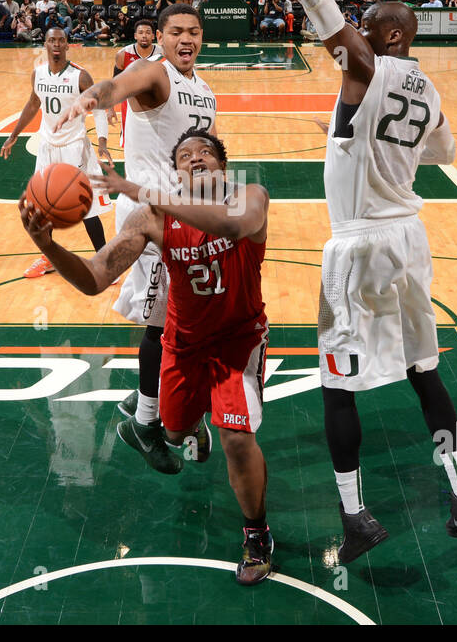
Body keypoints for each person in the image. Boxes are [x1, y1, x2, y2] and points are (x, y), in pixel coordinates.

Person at [247, 0, 457, 562]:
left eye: (365, 22)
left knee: (337, 383)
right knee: (426, 372)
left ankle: (355, 518)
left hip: (357, 245)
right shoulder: (427, 85)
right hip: (412, 241)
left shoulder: (364, 65)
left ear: (380, 34)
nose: (354, 25)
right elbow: (444, 151)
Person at [18, 128, 275, 584]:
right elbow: (96, 278)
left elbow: (234, 227)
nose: (196, 158)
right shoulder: (152, 218)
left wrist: (146, 192)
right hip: (182, 344)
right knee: (172, 433)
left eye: (206, 153)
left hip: (238, 342)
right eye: (184, 155)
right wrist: (48, 245)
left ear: (223, 167)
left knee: (237, 439)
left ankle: (257, 533)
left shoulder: (250, 196)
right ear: (175, 170)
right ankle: (185, 421)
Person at [54, 4, 217, 465]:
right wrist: (91, 99)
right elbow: (116, 86)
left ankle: (151, 401)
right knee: (162, 322)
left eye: (195, 32)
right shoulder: (153, 73)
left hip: (186, 217)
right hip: (149, 214)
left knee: (183, 319)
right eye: (177, 32)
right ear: (160, 38)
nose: (187, 39)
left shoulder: (204, 90)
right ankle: (144, 423)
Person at [1, 27, 112, 277]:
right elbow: (33, 103)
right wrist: (14, 135)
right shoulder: (38, 73)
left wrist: (102, 141)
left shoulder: (80, 76)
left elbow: (99, 108)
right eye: (52, 40)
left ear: (67, 44)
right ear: (46, 44)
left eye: (62, 40)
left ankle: (104, 261)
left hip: (75, 148)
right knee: (43, 204)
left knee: (86, 206)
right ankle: (48, 258)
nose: (57, 44)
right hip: (47, 147)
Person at [111, 19, 164, 146]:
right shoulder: (123, 54)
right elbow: (114, 83)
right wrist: (110, 108)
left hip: (156, 103)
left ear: (153, 36)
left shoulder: (162, 54)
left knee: (156, 143)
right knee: (130, 143)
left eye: (147, 32)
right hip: (130, 105)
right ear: (135, 35)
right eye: (140, 32)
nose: (144, 36)